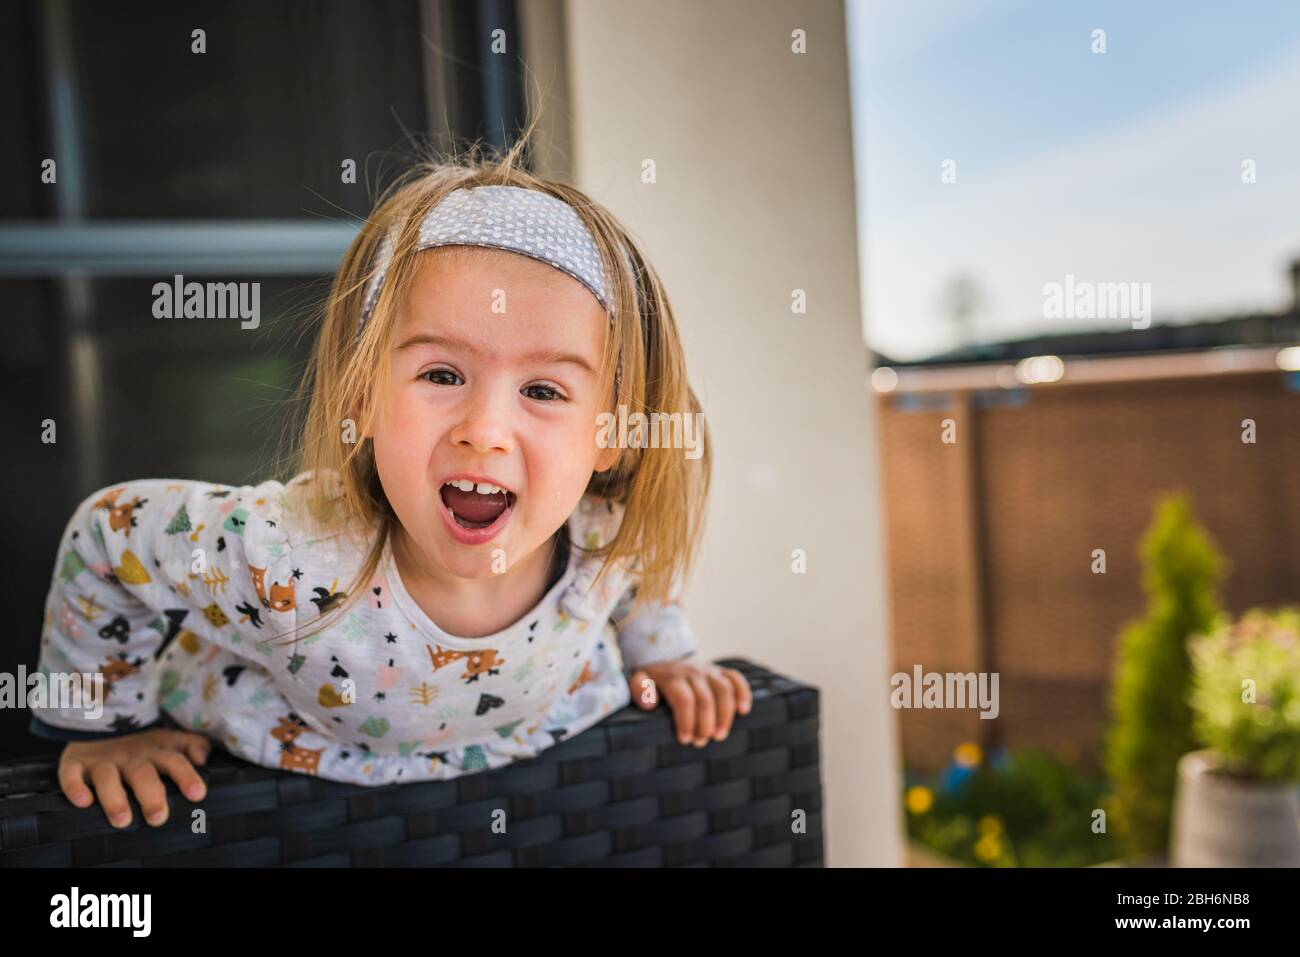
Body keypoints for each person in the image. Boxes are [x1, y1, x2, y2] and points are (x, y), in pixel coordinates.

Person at [30, 129, 750, 829]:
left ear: (612, 432)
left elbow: (636, 570)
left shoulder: (603, 536)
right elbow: (109, 532)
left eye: (544, 390)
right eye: (441, 373)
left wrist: (664, 654)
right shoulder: (283, 556)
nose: (485, 428)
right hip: (283, 791)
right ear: (360, 396)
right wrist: (102, 724)